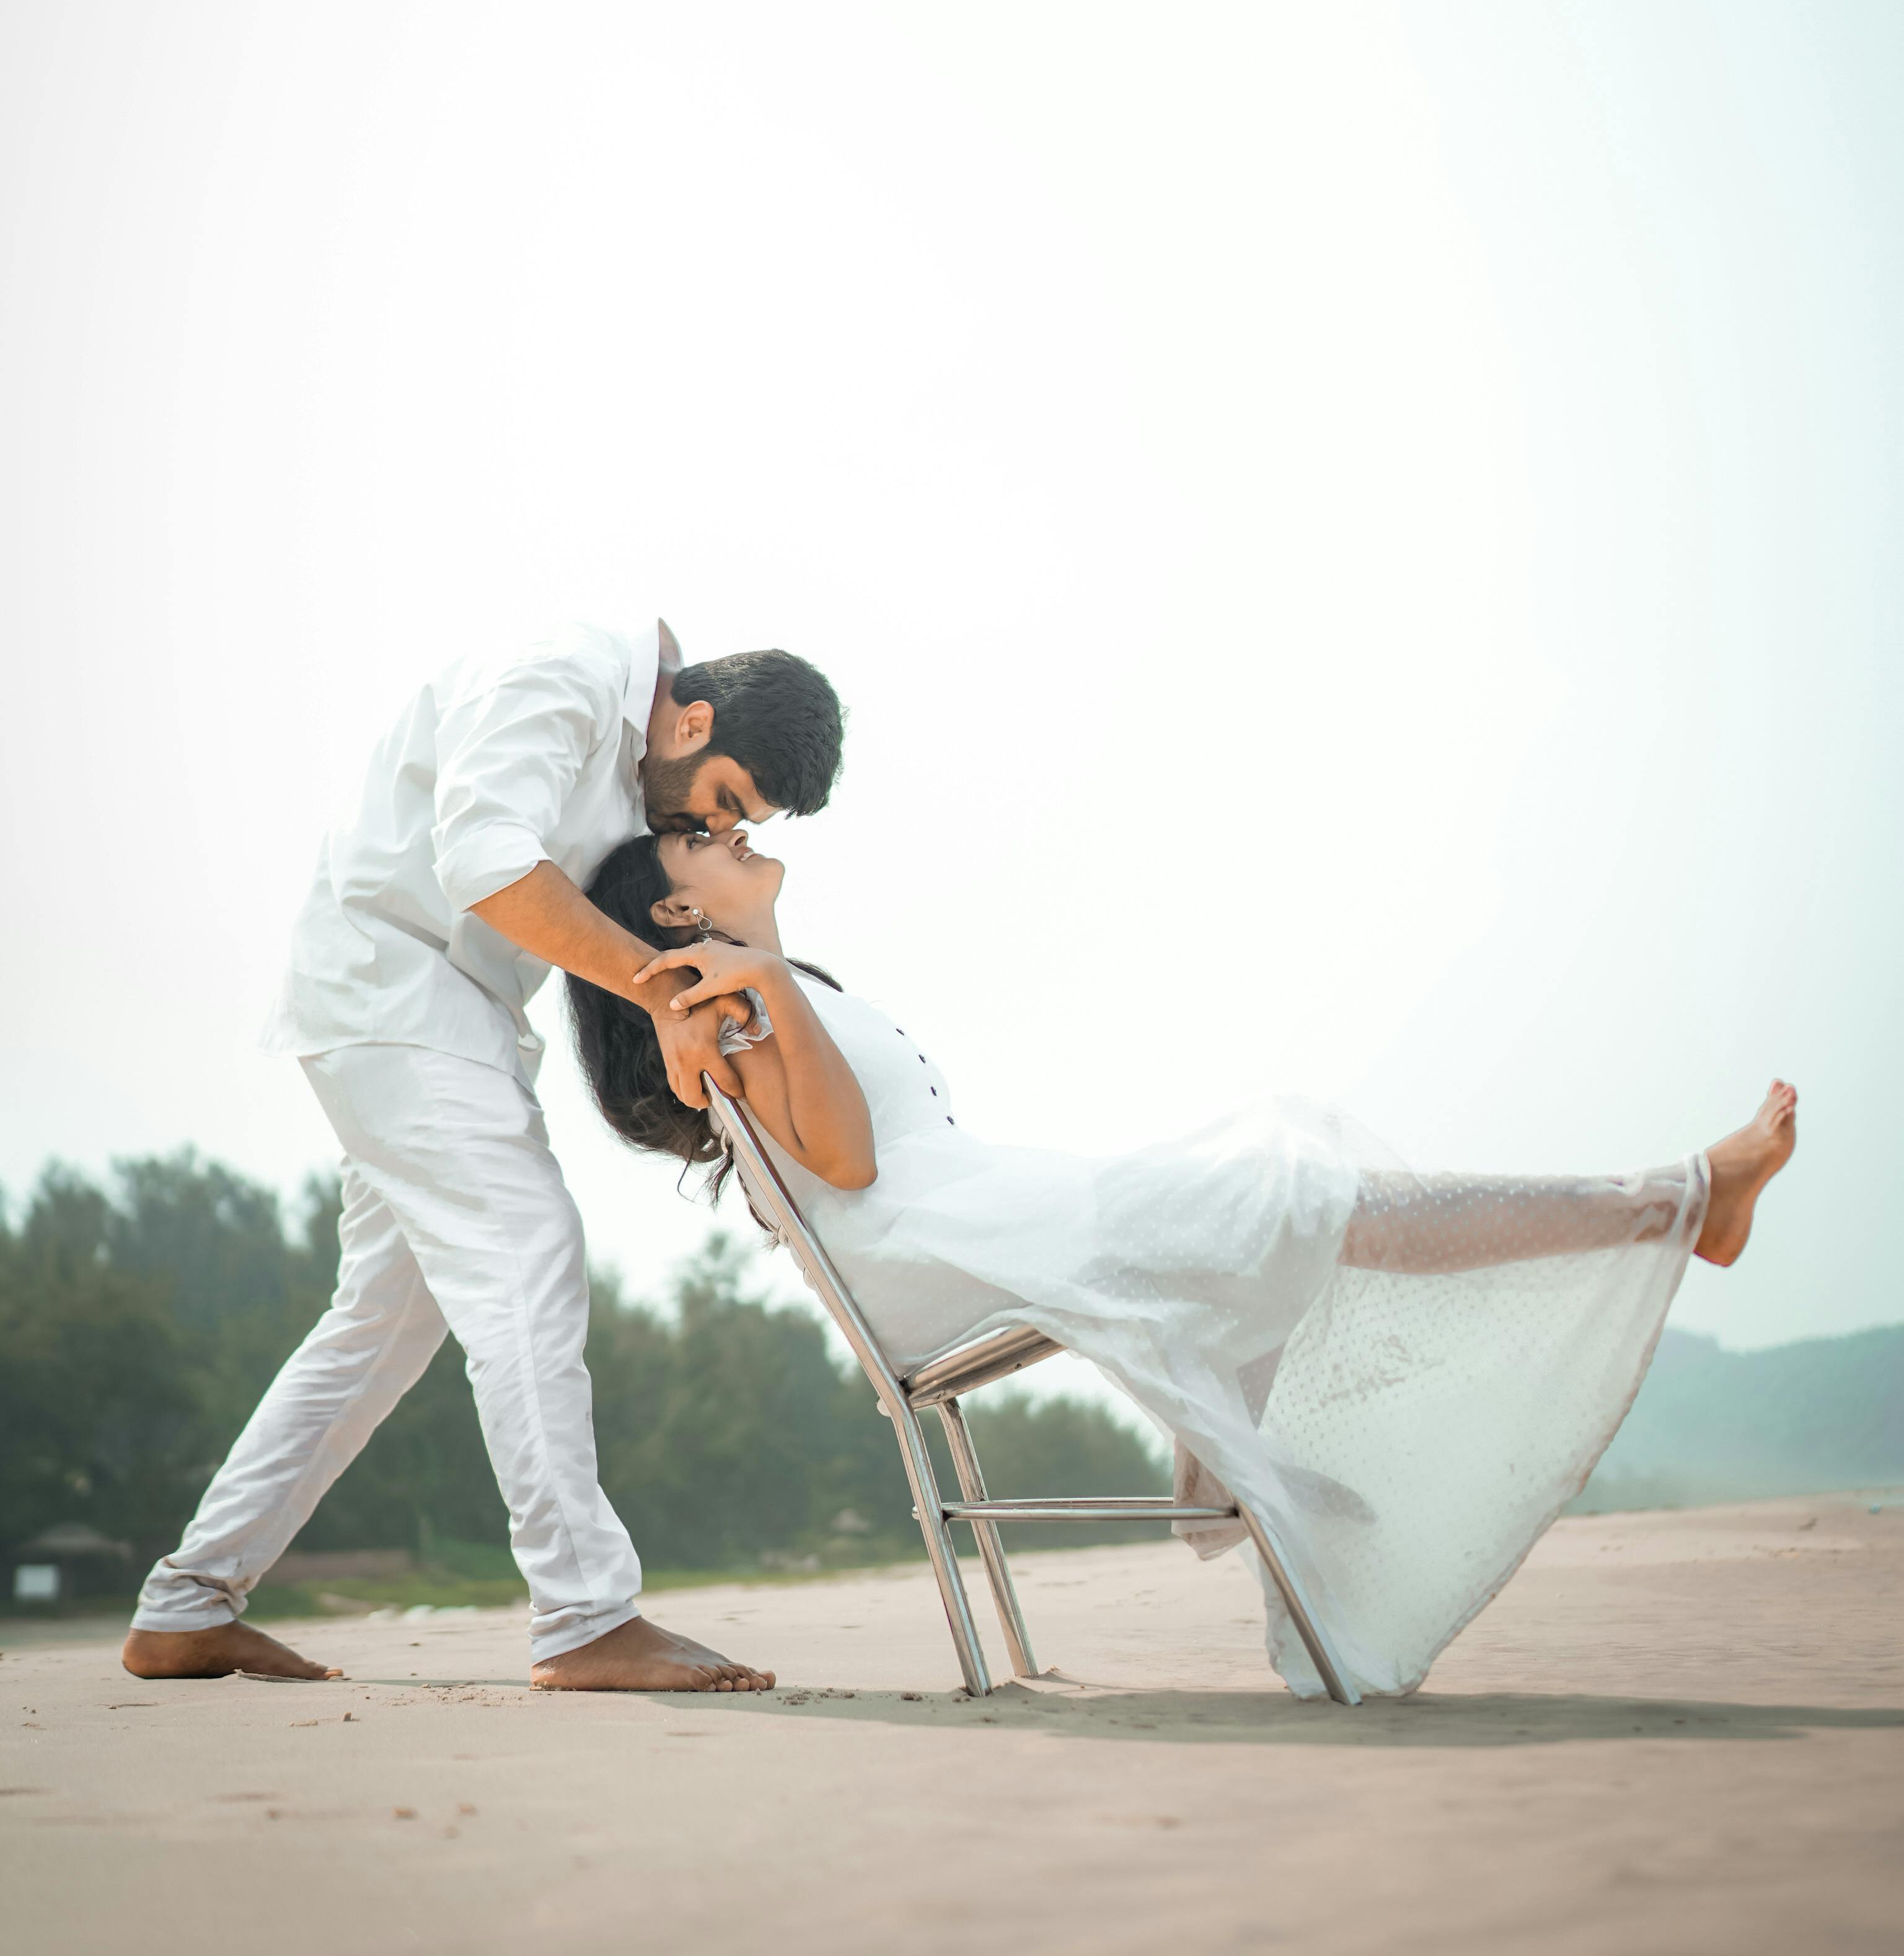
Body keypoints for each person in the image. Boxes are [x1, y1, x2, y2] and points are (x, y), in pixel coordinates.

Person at [569, 825, 1798, 1701]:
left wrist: (778, 980)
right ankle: (1677, 1201)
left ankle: (1664, 1212)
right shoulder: (730, 1001)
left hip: (987, 1217)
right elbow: (842, 1161)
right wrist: (769, 983)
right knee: (1300, 1196)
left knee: (1291, 1194)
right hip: (943, 1247)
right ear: (675, 912)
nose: (733, 831)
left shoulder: (763, 987)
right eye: (700, 838)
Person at [124, 620, 844, 1695]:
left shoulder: (642, 754)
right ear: (691, 723)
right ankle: (586, 1615)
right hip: (393, 996)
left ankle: (187, 1605)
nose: (713, 826)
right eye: (726, 799)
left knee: (376, 1328)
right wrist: (660, 995)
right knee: (527, 1257)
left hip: (444, 1020)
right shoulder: (559, 681)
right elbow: (485, 863)